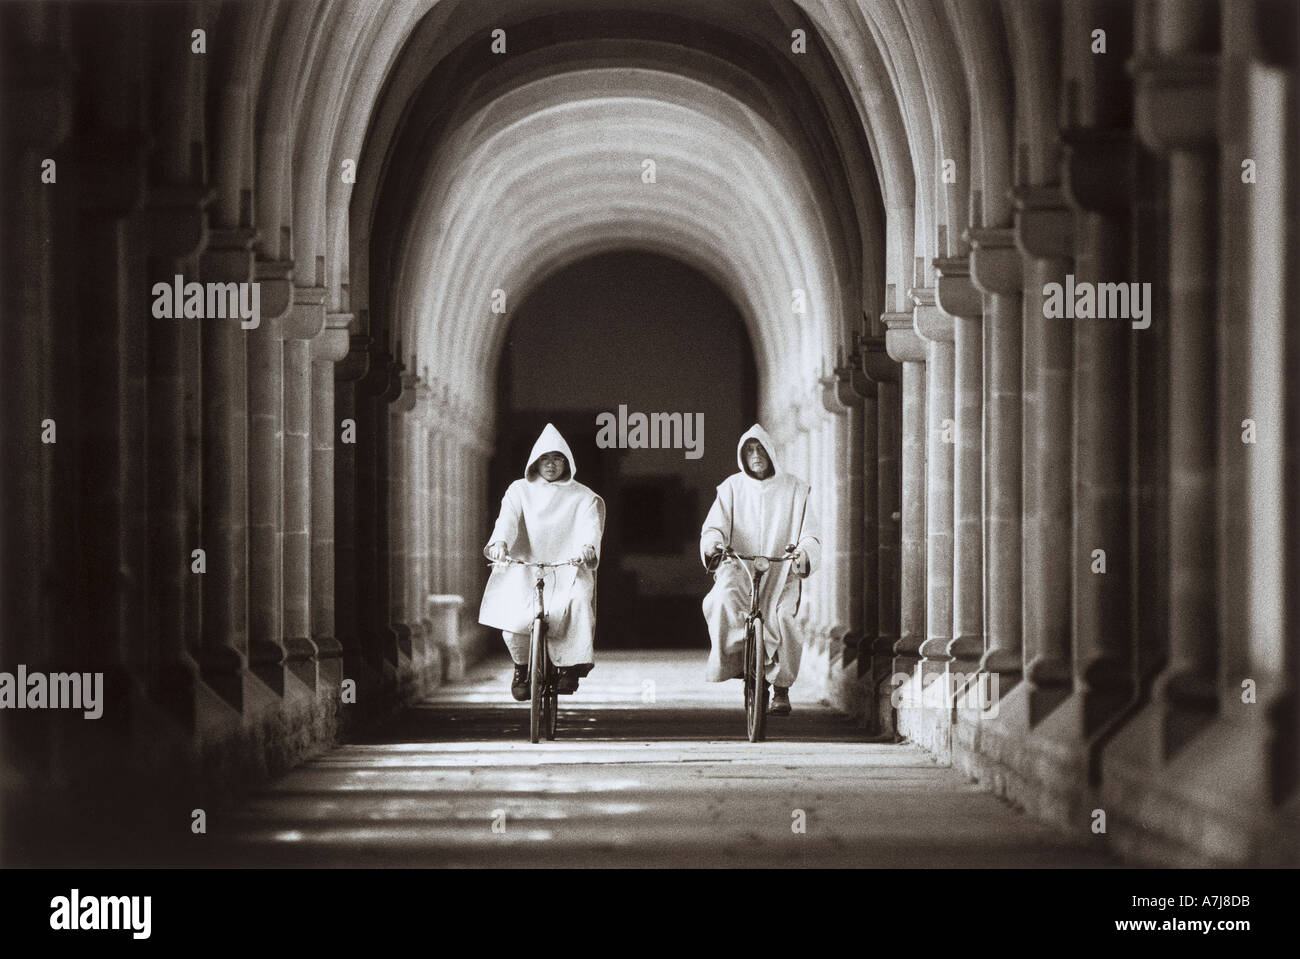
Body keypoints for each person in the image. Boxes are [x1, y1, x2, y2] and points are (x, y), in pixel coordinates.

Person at [700, 424, 820, 715]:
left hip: (780, 572)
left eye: (760, 448)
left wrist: (804, 552)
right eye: (749, 450)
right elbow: (714, 525)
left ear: (770, 451)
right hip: (739, 567)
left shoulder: (796, 489)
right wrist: (714, 543)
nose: (755, 455)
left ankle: (781, 687)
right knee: (721, 600)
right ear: (742, 455)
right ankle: (743, 659)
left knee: (786, 618)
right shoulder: (731, 488)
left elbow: (810, 532)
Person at [479, 424, 605, 701]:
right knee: (514, 615)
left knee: (579, 601)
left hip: (567, 568)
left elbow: (590, 527)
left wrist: (587, 547)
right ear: (535, 461)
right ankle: (521, 668)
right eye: (545, 458)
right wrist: (500, 542)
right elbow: (507, 520)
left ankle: (569, 668)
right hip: (526, 566)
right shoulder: (519, 490)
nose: (550, 464)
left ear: (567, 462)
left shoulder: (583, 496)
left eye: (557, 458)